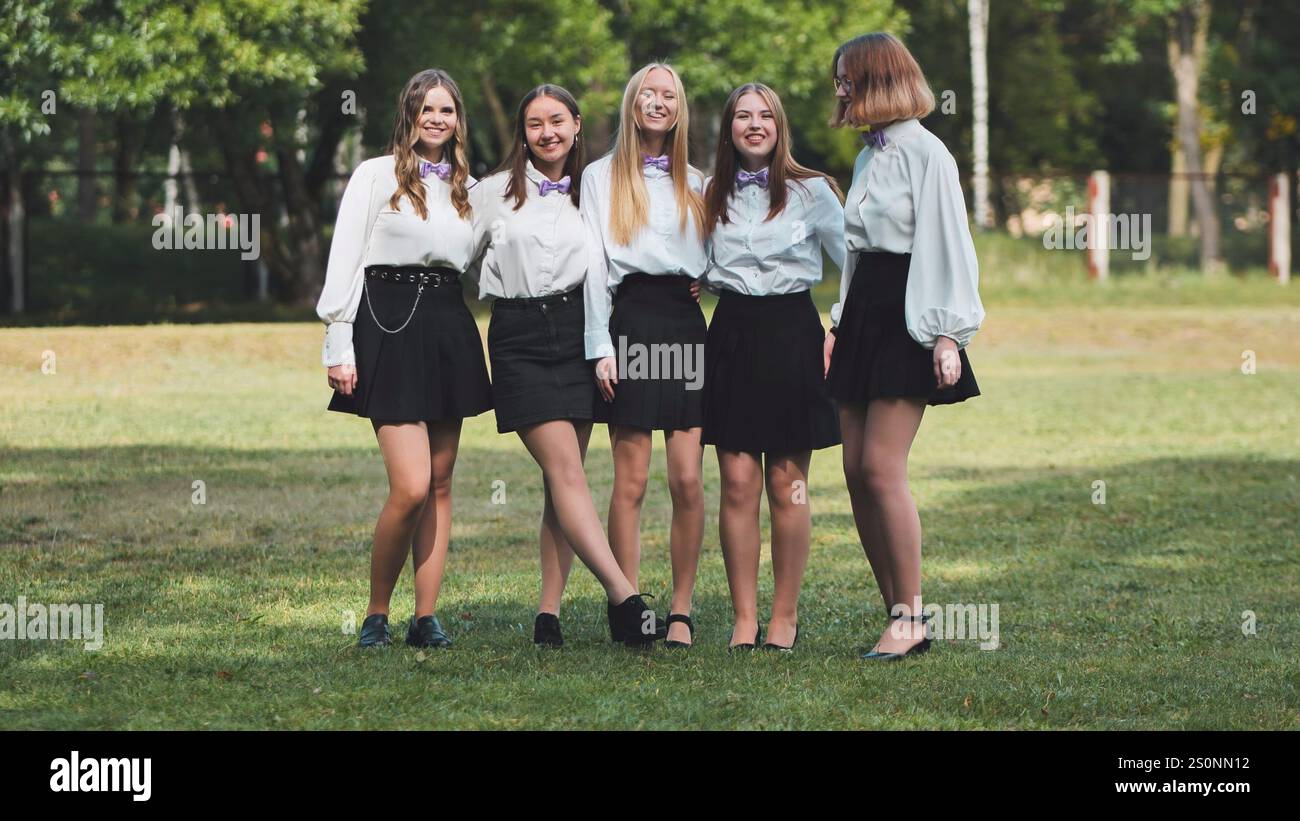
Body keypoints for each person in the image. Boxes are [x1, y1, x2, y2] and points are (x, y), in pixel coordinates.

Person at [469, 84, 663, 648]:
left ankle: (547, 614)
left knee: (563, 483)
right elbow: (451, 248)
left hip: (579, 332)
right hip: (519, 334)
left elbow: (638, 248)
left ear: (577, 125)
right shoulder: (492, 193)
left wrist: (691, 274)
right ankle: (625, 596)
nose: (547, 132)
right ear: (522, 133)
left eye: (557, 120)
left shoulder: (598, 190)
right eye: (534, 124)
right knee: (567, 473)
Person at [316, 69, 491, 649]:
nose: (437, 120)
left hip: (448, 325)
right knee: (411, 485)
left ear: (458, 119)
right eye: (427, 109)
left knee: (441, 481)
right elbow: (346, 257)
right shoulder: (375, 175)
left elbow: (503, 255)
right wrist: (338, 341)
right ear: (410, 115)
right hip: (386, 324)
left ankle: (426, 618)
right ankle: (375, 613)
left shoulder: (471, 187)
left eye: (447, 110)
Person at [823, 33, 985, 660]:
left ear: (877, 77)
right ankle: (896, 610)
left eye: (847, 78)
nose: (840, 89)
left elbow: (951, 246)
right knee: (854, 471)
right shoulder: (870, 156)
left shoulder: (928, 153)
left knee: (883, 469)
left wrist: (949, 333)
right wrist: (837, 323)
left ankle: (912, 616)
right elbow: (855, 254)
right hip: (863, 315)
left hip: (910, 315)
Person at [701, 82, 845, 652]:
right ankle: (744, 617)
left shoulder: (814, 193)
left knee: (788, 485)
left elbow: (854, 261)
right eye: (743, 115)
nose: (754, 124)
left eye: (765, 115)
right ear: (730, 127)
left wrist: (839, 326)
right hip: (732, 333)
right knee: (737, 483)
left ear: (780, 125)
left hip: (792, 334)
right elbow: (697, 261)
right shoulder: (710, 191)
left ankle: (784, 617)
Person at [581, 63, 708, 648]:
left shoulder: (701, 183)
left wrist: (707, 279)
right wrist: (600, 346)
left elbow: (721, 256)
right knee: (630, 479)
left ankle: (680, 610)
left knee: (686, 477)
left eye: (669, 95)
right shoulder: (599, 177)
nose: (658, 102)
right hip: (628, 322)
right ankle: (628, 603)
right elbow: (595, 271)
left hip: (683, 325)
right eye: (648, 93)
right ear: (632, 102)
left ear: (679, 108)